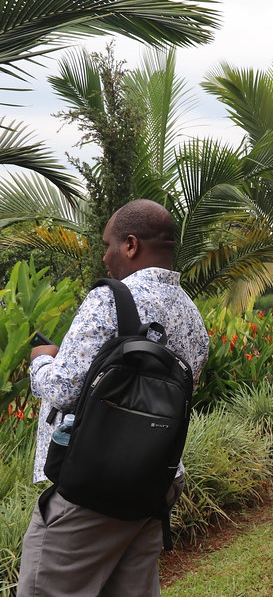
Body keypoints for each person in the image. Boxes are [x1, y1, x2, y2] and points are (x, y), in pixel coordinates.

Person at [18, 199, 209, 596]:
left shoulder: (111, 298)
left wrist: (40, 362)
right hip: (154, 482)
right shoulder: (192, 314)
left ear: (131, 245)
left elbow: (64, 390)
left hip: (96, 486)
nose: (105, 256)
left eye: (108, 244)